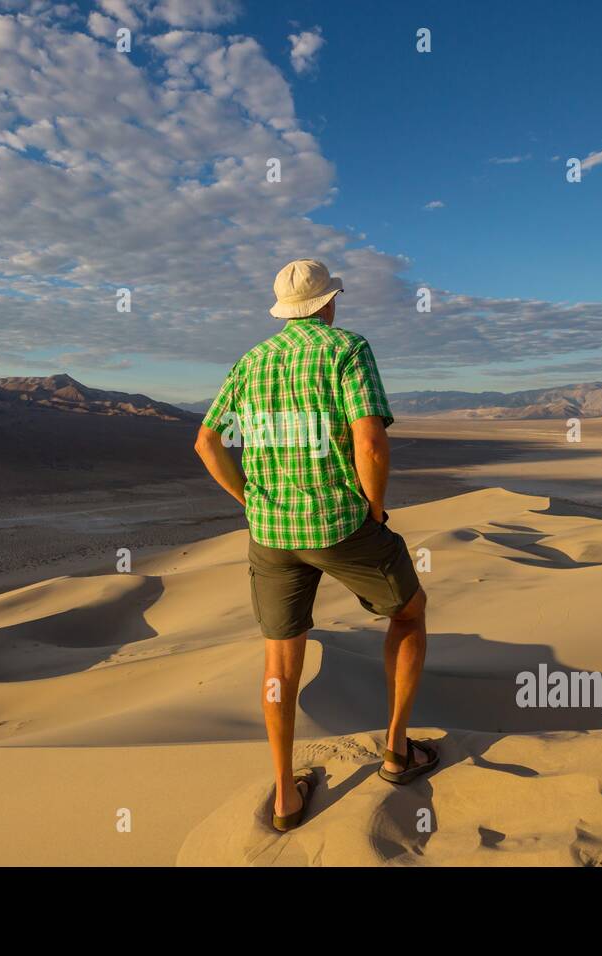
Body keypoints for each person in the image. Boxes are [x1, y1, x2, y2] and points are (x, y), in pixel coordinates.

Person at [193, 258, 437, 833]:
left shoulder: (252, 361)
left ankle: (285, 796)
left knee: (281, 656)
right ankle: (398, 751)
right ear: (329, 302)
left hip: (271, 533)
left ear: (283, 311)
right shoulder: (346, 348)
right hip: (340, 525)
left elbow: (206, 441)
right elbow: (371, 443)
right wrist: (373, 511)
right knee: (408, 612)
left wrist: (250, 499)